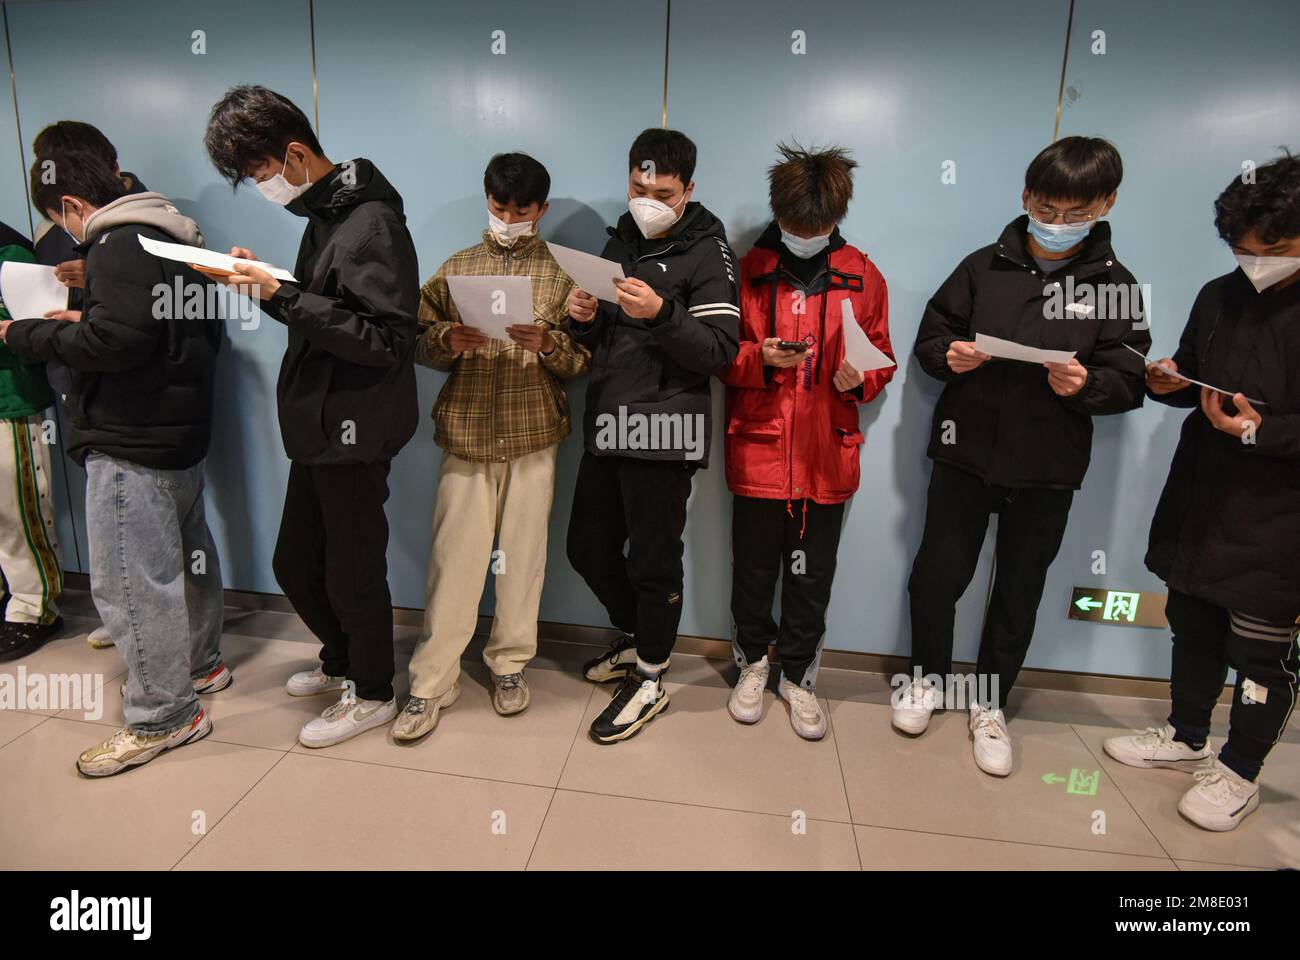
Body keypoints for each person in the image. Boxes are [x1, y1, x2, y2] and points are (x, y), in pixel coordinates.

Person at [894, 136, 1150, 776]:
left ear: (1106, 204)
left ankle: (988, 704)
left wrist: (1087, 385)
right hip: (966, 452)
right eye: (1046, 206)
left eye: (1075, 212)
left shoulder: (1117, 286)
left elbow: (1131, 376)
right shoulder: (983, 266)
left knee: (1019, 589)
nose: (1057, 223)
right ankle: (925, 680)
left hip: (1048, 464)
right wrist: (947, 356)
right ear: (1026, 196)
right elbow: (932, 338)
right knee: (936, 577)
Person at [204, 84, 419, 749]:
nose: (260, 184)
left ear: (294, 154)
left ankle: (375, 691)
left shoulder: (370, 222)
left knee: (352, 571)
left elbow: (386, 340)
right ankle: (345, 662)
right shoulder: (327, 217)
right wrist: (268, 285)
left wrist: (282, 296)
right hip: (320, 424)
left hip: (354, 425)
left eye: (259, 171)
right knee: (297, 564)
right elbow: (328, 308)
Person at [1, 153, 226, 776]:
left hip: (131, 438)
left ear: (72, 206)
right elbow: (180, 336)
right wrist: (90, 318)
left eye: (59, 218)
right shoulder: (174, 236)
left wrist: (25, 335)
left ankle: (164, 714)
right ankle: (202, 664)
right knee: (186, 560)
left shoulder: (117, 244)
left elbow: (118, 344)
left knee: (129, 582)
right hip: (178, 433)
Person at [1104, 152, 1300, 832]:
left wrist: (1260, 432)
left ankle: (1240, 769)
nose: (1254, 262)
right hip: (1202, 493)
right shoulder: (1220, 294)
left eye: (1272, 250)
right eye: (1242, 249)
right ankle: (1186, 735)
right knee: (1191, 621)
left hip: (1279, 512)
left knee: (1258, 648)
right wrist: (1169, 383)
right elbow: (1193, 373)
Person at [393, 153, 589, 741]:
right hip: (468, 430)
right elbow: (419, 342)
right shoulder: (458, 267)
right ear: (487, 200)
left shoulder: (563, 274)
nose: (508, 217)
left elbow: (581, 360)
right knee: (455, 561)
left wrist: (551, 344)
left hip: (533, 434)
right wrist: (446, 340)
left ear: (541, 210)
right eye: (500, 207)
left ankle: (508, 665)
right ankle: (432, 683)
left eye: (521, 210)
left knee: (523, 559)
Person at [565, 127, 739, 744]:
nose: (647, 199)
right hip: (608, 424)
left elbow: (720, 353)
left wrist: (662, 314)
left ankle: (651, 677)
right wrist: (582, 321)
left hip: (665, 432)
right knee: (586, 548)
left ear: (688, 190)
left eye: (662, 191)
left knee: (654, 561)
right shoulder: (619, 239)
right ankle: (640, 637)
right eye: (639, 186)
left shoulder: (710, 252)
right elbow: (605, 342)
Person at [721, 143, 893, 740]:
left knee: (812, 573)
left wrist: (861, 377)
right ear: (778, 212)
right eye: (795, 225)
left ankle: (798, 675)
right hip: (760, 447)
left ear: (836, 218)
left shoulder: (862, 275)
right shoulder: (747, 272)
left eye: (816, 227)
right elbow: (720, 354)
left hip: (827, 451)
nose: (804, 235)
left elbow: (882, 358)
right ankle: (752, 663)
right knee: (754, 569)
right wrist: (759, 359)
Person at [30, 120, 148, 650]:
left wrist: (93, 278)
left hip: (134, 408)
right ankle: (135, 624)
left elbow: (124, 336)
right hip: (86, 386)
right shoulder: (76, 231)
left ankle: (163, 679)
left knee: (144, 544)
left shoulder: (136, 226)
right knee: (124, 541)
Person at [0, 219, 63, 662]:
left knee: (18, 513)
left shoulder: (10, 255)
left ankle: (33, 608)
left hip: (11, 402)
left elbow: (37, 329)